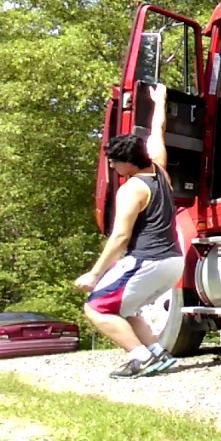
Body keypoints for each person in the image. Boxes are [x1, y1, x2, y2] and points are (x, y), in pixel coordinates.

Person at [74, 83, 184, 378]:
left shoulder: (132, 189)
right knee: (124, 308)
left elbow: (121, 237)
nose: (112, 166)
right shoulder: (159, 169)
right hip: (173, 262)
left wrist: (94, 274)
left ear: (128, 162)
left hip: (148, 260)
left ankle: (140, 358)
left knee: (96, 307)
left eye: (114, 162)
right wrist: (159, 101)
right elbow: (158, 130)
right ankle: (158, 353)